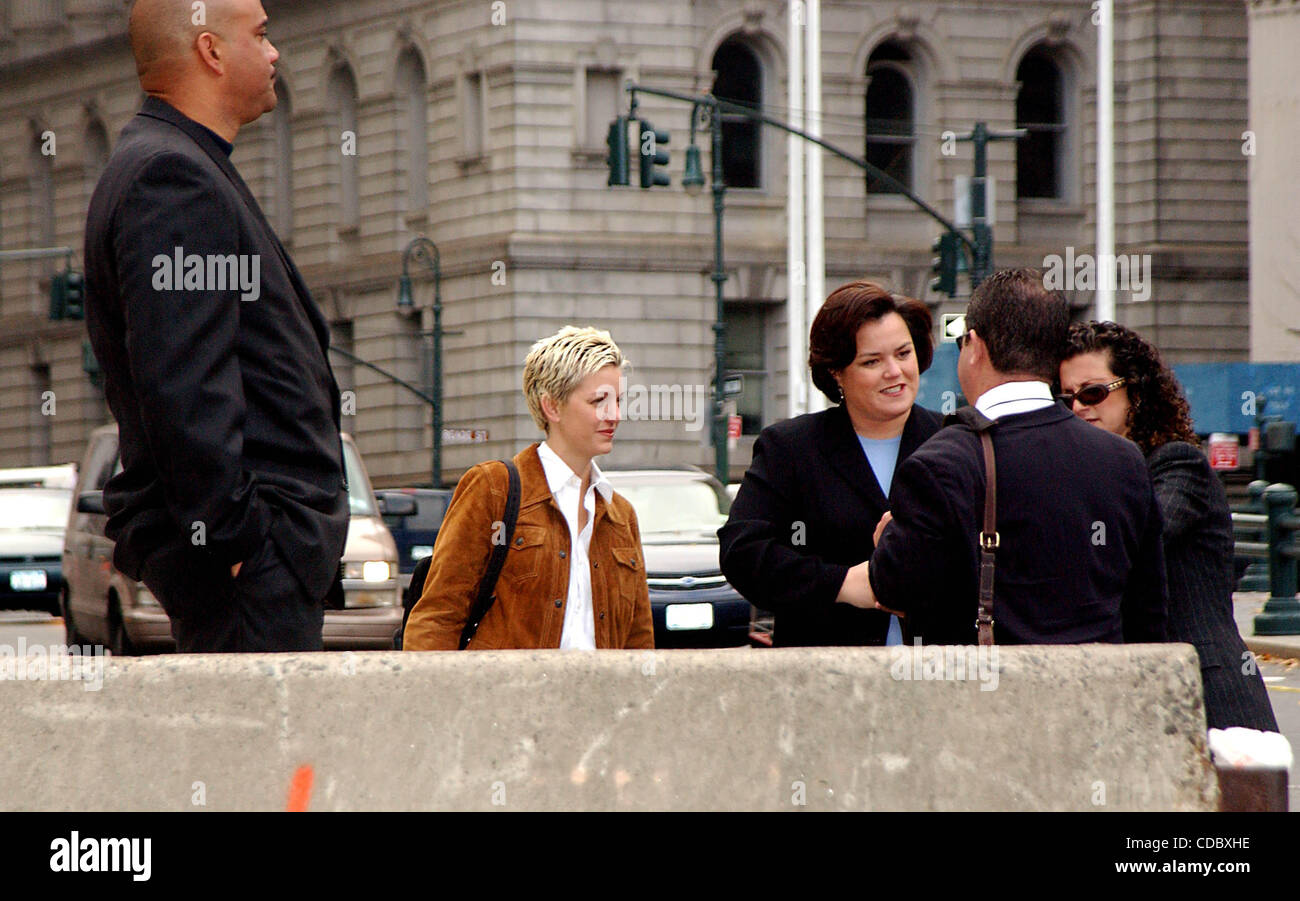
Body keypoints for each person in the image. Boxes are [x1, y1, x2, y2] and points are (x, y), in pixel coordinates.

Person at [83, 0, 348, 652]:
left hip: (252, 566)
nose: (275, 50)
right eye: (259, 34)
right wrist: (243, 546)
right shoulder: (172, 178)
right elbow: (185, 387)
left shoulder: (176, 163)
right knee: (266, 755)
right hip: (247, 574)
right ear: (211, 51)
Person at [860, 269, 1169, 645]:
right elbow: (1149, 613)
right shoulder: (1124, 460)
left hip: (991, 694)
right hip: (1101, 694)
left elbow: (896, 589)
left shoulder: (942, 463)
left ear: (974, 346)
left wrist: (889, 537)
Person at [1060, 322, 1278, 731]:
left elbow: (1136, 540)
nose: (1078, 408)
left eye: (1092, 393)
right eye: (1065, 399)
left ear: (1136, 393)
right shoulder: (1095, 477)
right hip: (1147, 698)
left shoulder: (1178, 463)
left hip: (1212, 696)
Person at [719, 282, 942, 646]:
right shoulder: (791, 449)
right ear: (836, 372)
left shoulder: (955, 440)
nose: (894, 371)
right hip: (825, 679)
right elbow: (742, 553)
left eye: (903, 354)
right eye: (872, 361)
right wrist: (839, 584)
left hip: (938, 672)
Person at [403, 327, 654, 650]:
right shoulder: (493, 489)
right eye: (598, 401)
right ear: (552, 407)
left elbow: (639, 641)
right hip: (505, 698)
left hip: (599, 699)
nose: (615, 415)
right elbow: (439, 614)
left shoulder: (621, 516)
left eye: (618, 400)